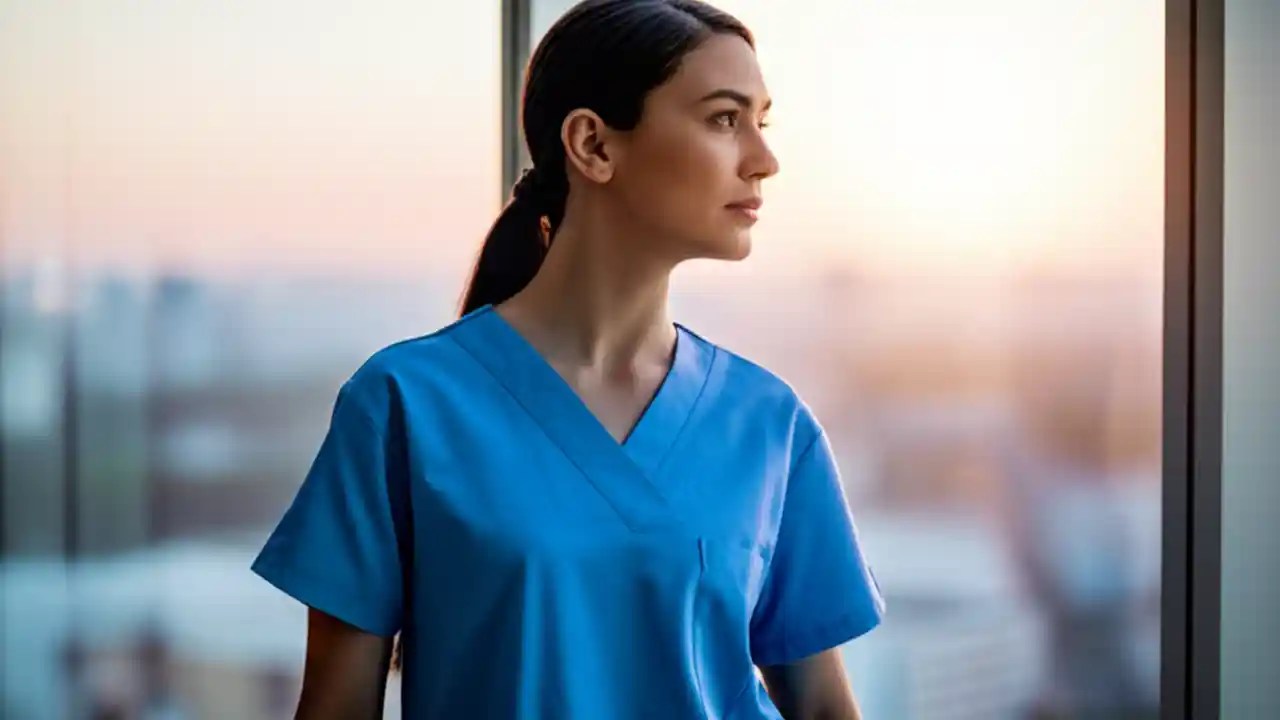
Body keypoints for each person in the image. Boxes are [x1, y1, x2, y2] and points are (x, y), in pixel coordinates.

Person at [249, 1, 885, 717]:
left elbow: (825, 707)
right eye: (723, 119)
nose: (764, 160)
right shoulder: (403, 405)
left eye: (760, 123)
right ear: (593, 144)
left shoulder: (770, 426)